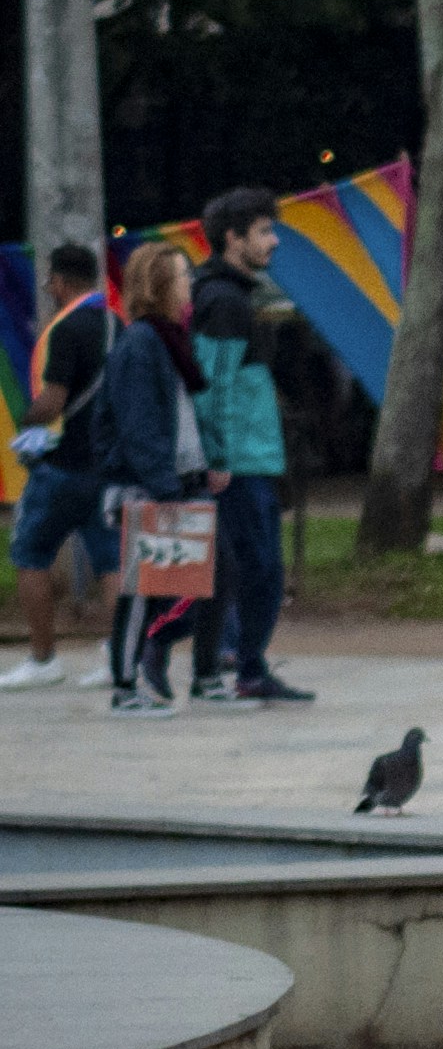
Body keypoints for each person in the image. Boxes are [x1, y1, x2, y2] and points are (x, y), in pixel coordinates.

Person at [188, 189, 312, 707]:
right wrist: (216, 457)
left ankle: (244, 662)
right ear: (232, 238)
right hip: (235, 462)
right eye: (263, 231)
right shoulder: (222, 300)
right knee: (255, 569)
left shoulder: (234, 294)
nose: (274, 241)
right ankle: (236, 662)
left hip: (250, 456)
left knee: (254, 568)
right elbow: (211, 384)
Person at [97, 241, 219, 714]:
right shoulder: (143, 343)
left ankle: (138, 669)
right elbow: (140, 423)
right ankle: (125, 684)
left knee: (175, 588)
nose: (190, 283)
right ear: (158, 284)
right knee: (143, 591)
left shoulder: (168, 340)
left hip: (176, 481)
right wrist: (165, 484)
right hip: (150, 486)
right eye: (182, 275)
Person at [6, 242, 115, 690]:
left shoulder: (67, 329)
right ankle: (116, 655)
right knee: (110, 562)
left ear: (61, 281)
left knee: (30, 554)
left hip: (63, 466)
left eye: (50, 280)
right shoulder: (116, 323)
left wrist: (24, 422)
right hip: (106, 465)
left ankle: (43, 658)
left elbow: (54, 400)